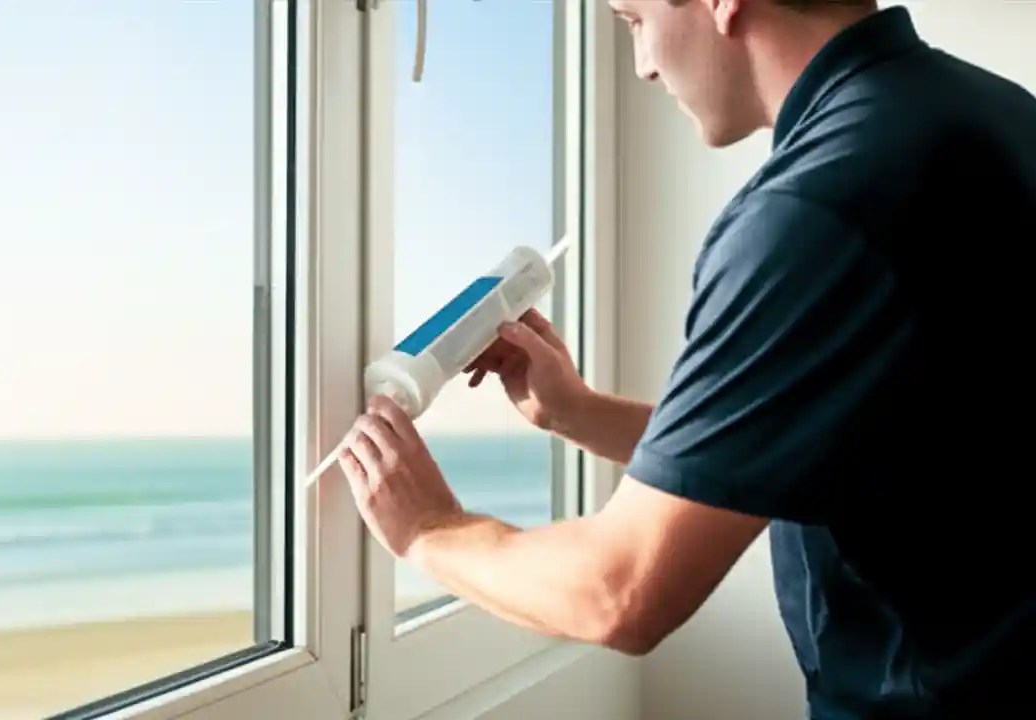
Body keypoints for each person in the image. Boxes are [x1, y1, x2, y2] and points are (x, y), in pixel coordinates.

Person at [337, 1, 1036, 718]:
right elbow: (827, 440)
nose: (641, 65)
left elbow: (622, 591)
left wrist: (428, 530)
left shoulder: (816, 209)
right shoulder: (987, 114)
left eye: (635, 20)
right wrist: (575, 411)